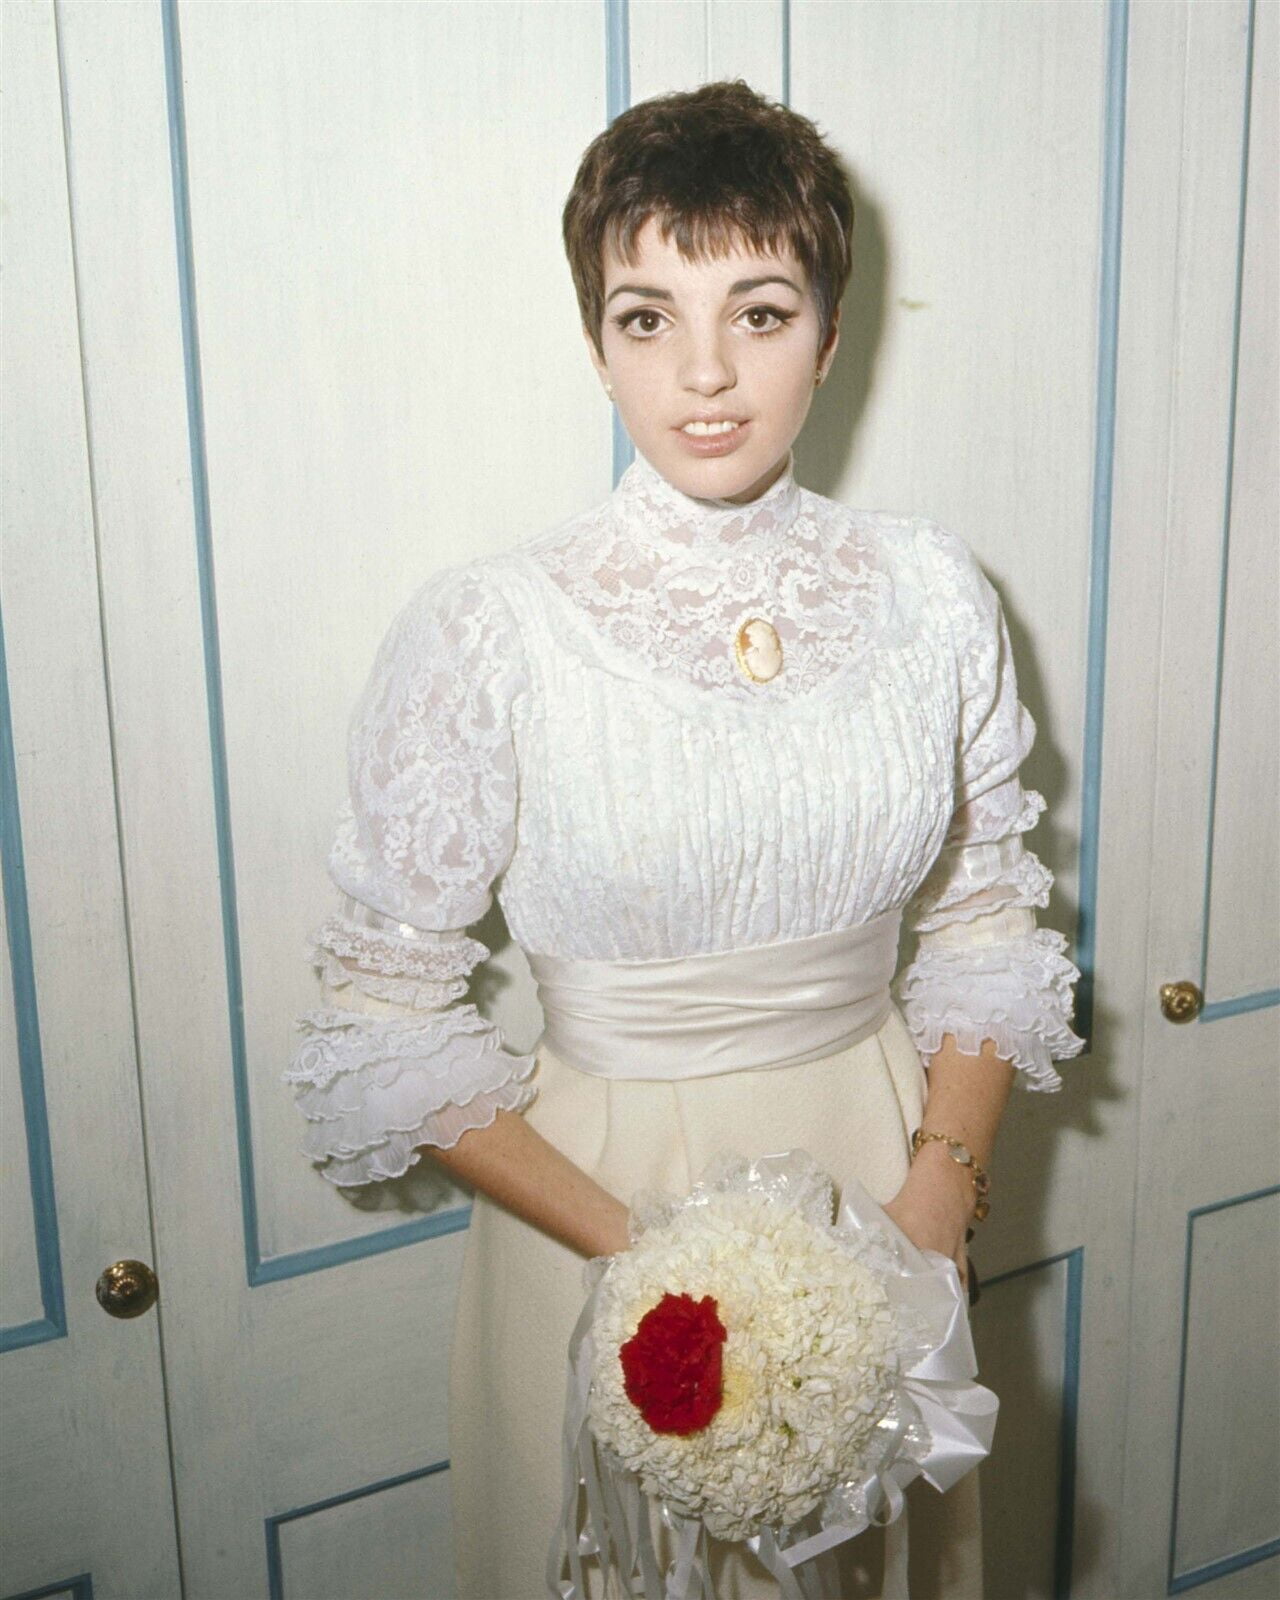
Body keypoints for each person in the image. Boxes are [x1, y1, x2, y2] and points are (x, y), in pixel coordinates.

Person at [283, 79, 1084, 1599]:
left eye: (760, 311)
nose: (703, 374)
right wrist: (645, 1259)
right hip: (598, 1231)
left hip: (882, 1193)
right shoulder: (489, 627)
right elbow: (379, 1025)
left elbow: (987, 928)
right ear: (596, 342)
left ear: (832, 335)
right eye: (648, 317)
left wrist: (932, 1205)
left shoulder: (930, 596)